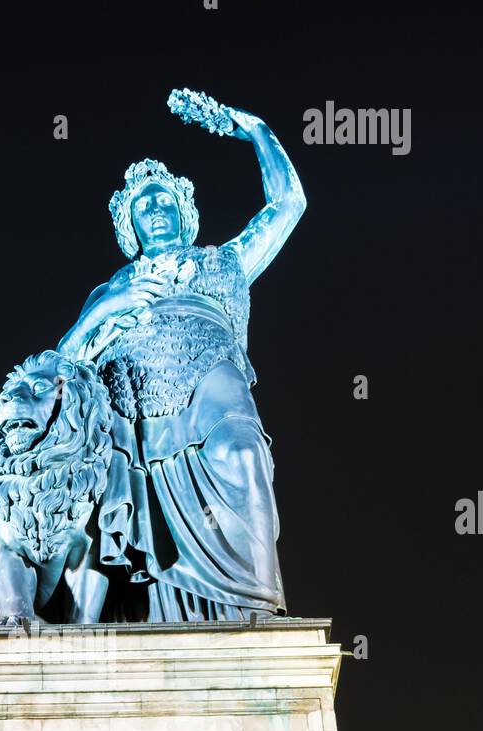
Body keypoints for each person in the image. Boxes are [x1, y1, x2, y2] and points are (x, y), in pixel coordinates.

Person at [57, 97, 306, 621]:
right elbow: (63, 365)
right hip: (130, 405)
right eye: (142, 205)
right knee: (97, 495)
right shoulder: (113, 287)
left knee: (242, 453)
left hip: (211, 376)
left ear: (183, 214)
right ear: (131, 228)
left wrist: (256, 129)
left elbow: (287, 205)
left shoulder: (224, 261)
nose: (154, 209)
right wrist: (108, 307)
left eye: (164, 200)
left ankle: (257, 609)